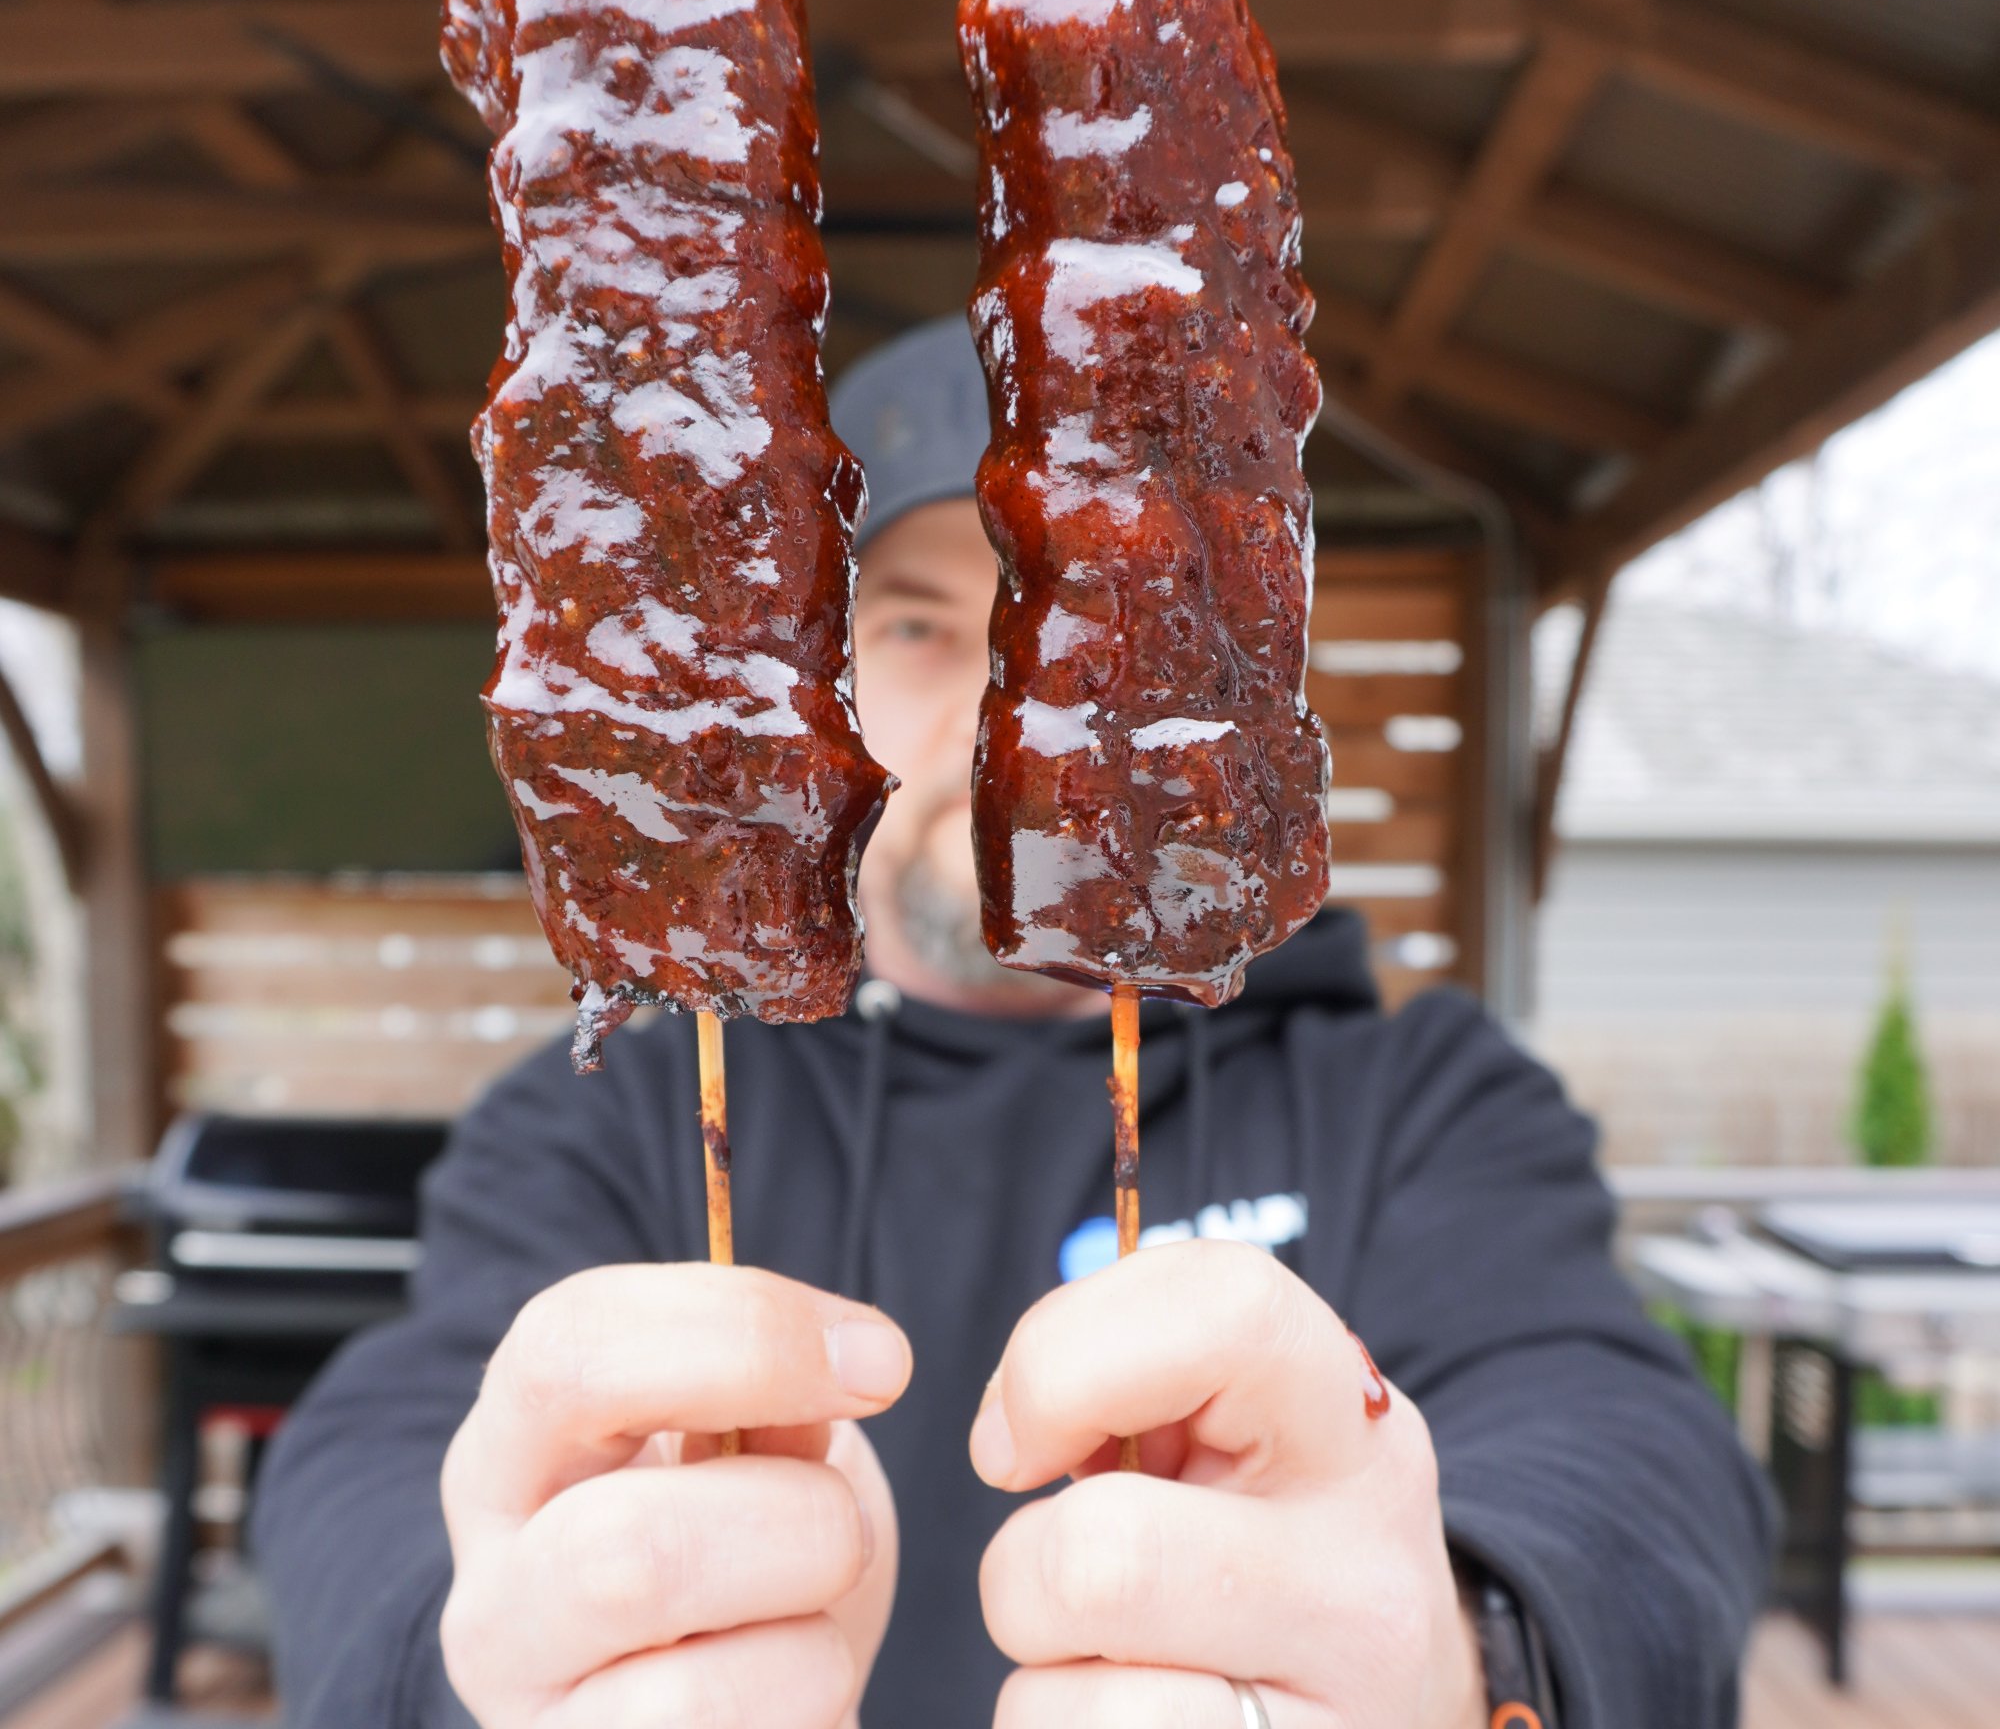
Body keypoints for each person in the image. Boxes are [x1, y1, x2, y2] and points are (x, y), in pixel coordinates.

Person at [253, 318, 1772, 1729]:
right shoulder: (620, 1112)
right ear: (818, 685)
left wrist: (1460, 1654)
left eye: (1080, 623)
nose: (1008, 719)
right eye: (918, 628)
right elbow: (372, 1462)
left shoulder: (1414, 1093)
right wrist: (492, 1663)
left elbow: (1638, 1463)